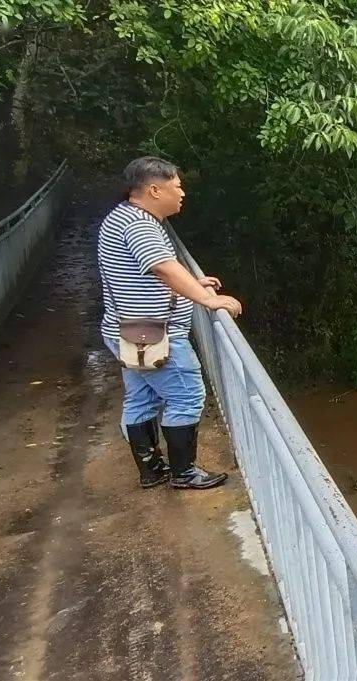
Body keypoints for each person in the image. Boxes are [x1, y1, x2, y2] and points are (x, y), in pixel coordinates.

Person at [97, 156, 243, 490]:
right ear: (153, 189)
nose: (182, 194)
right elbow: (161, 266)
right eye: (177, 187)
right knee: (188, 395)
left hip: (131, 327)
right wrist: (206, 299)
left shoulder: (124, 217)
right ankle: (184, 473)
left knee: (142, 398)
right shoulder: (139, 225)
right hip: (150, 331)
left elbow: (156, 271)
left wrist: (194, 282)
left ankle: (152, 471)